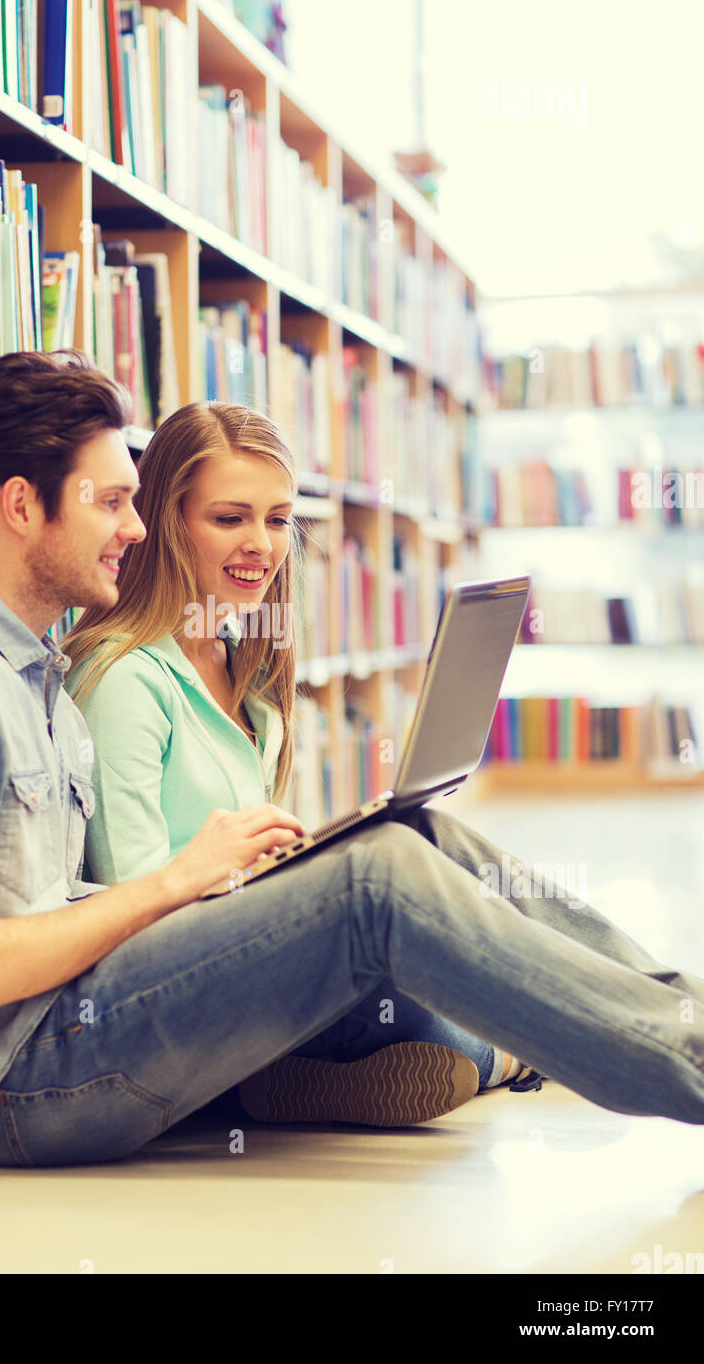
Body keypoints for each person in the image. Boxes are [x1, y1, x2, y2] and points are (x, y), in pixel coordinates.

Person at [0, 350, 704, 1169]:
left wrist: (261, 880)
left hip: (70, 1024)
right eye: (112, 500)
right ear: (19, 505)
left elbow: (44, 901)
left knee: (412, 835)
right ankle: (682, 1072)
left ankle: (686, 1019)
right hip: (10, 1084)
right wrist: (177, 881)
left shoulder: (25, 671)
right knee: (377, 879)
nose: (134, 526)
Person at [62, 401, 535, 1127]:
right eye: (229, 518)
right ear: (161, 520)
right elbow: (134, 908)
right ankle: (506, 1050)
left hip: (256, 955)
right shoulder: (123, 679)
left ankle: (279, 1078)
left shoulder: (243, 667)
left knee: (435, 889)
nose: (260, 544)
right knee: (417, 984)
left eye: (277, 520)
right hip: (190, 983)